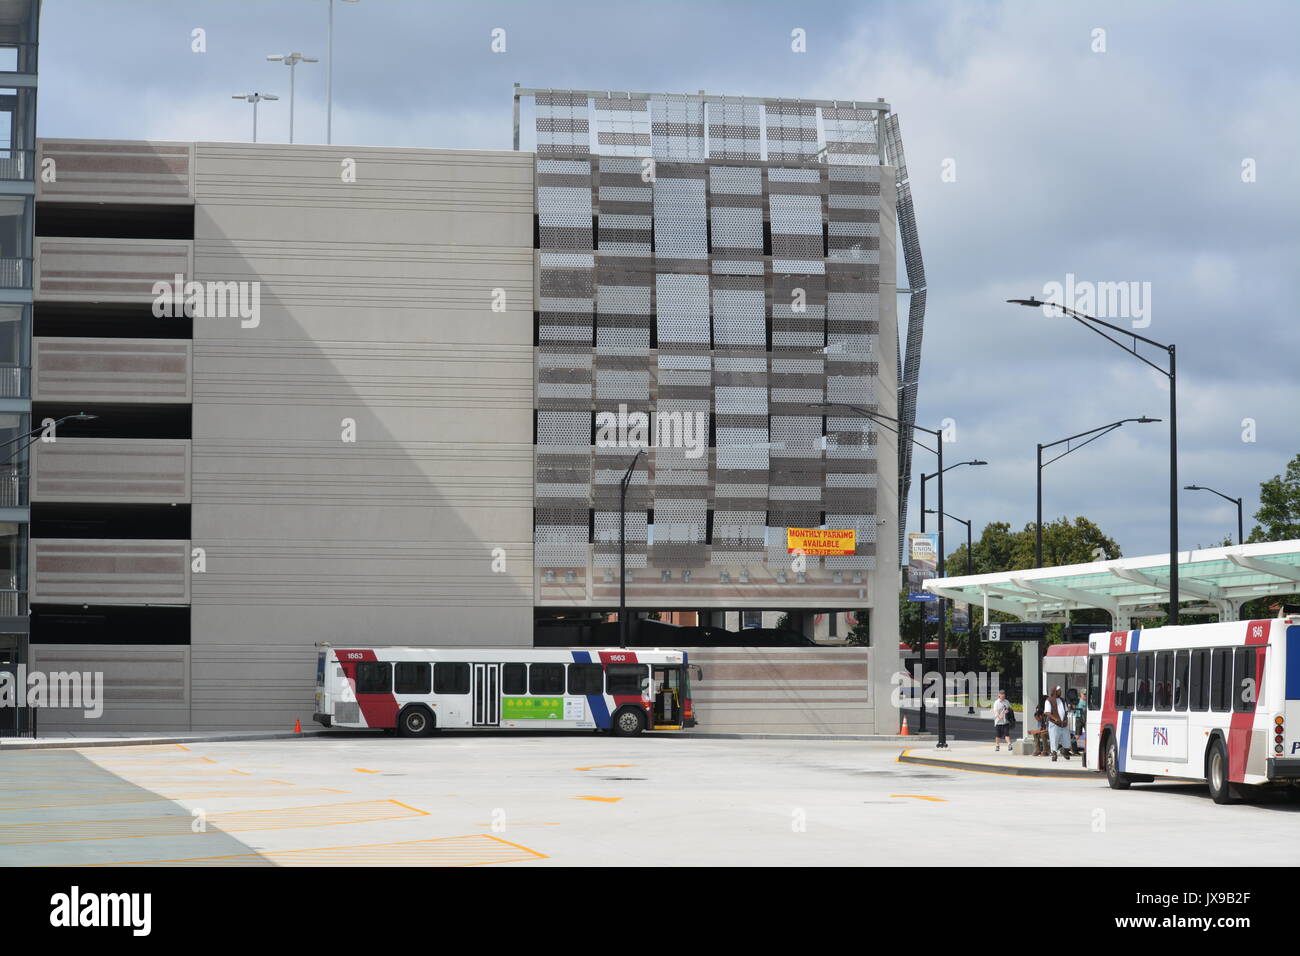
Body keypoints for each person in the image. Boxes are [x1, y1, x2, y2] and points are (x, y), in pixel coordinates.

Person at [1046, 686, 1072, 761]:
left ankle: (1065, 751)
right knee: (1054, 738)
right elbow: (1047, 712)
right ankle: (1054, 754)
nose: (1060, 692)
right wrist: (1055, 719)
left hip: (1063, 723)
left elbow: (1066, 711)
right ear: (1055, 691)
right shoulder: (1049, 700)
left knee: (1066, 738)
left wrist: (1066, 719)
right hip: (1054, 723)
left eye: (1060, 690)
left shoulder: (1062, 700)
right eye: (1059, 691)